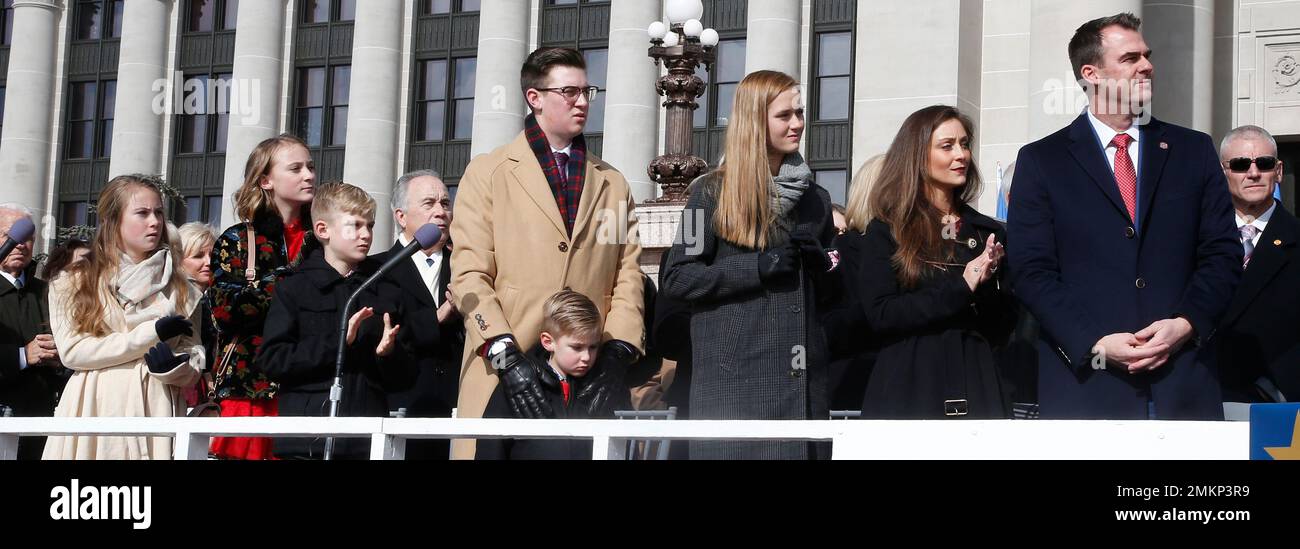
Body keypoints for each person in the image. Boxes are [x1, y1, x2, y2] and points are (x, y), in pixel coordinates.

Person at [1007, 13, 1240, 419]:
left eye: (1147, 55)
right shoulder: (1042, 161)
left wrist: (1186, 324)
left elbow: (1222, 254)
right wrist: (1095, 343)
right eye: (1131, 58)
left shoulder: (1192, 150)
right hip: (1087, 389)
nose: (1147, 65)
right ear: (1091, 73)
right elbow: (1031, 270)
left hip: (1183, 386)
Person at [450, 47, 644, 459]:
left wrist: (616, 351)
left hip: (587, 377)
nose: (583, 101)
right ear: (534, 98)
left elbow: (626, 273)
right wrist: (504, 354)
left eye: (587, 90)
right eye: (569, 91)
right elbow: (469, 275)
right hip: (503, 368)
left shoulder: (613, 183)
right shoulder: (487, 173)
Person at [659, 70, 838, 460]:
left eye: (800, 113)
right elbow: (676, 276)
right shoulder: (706, 193)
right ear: (756, 120)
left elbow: (832, 299)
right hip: (735, 388)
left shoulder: (817, 200)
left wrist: (822, 264)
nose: (797, 124)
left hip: (802, 389)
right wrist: (756, 268)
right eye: (784, 115)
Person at [839, 105, 1016, 418]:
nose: (961, 155)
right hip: (910, 384)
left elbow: (1001, 327)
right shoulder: (888, 230)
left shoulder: (986, 230)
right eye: (946, 146)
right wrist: (964, 284)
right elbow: (882, 314)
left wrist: (992, 283)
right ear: (917, 155)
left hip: (978, 382)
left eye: (964, 144)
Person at [255, 182, 421, 460]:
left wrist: (389, 354)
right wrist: (339, 341)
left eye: (369, 225)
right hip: (306, 441)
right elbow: (272, 360)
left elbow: (406, 378)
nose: (365, 234)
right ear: (323, 230)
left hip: (365, 441)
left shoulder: (385, 288)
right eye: (355, 225)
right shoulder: (294, 288)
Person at [42, 175, 205, 459]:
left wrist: (175, 368)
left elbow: (195, 357)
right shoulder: (72, 280)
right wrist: (151, 335)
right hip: (94, 405)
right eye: (142, 213)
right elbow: (72, 352)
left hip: (157, 405)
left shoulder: (183, 287)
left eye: (158, 212)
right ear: (113, 219)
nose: (154, 221)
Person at [209, 133, 319, 459]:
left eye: (310, 167)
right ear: (266, 180)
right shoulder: (240, 240)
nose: (309, 175)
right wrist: (290, 277)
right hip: (250, 392)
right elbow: (225, 310)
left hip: (307, 389)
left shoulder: (325, 238)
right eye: (296, 168)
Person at [380, 169, 463, 459]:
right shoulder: (376, 271)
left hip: (458, 413)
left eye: (445, 203)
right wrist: (438, 318)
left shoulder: (468, 269)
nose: (440, 212)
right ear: (401, 216)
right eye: (429, 204)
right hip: (400, 411)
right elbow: (383, 336)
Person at [1214, 125, 1299, 404]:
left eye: (1264, 163)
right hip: (1209, 393)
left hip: (1279, 401)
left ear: (1278, 171)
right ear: (1222, 172)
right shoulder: (1195, 238)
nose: (1253, 173)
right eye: (1240, 165)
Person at [477, 290, 606, 460]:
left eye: (593, 347)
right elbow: (491, 445)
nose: (587, 357)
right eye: (577, 347)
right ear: (548, 341)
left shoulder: (599, 386)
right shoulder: (519, 383)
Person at [0, 204, 61, 459]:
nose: (20, 244)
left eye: (27, 239)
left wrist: (60, 357)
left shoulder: (48, 293)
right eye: (10, 237)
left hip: (40, 420)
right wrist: (23, 355)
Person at [177, 222, 219, 410]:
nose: (208, 262)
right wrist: (203, 371)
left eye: (212, 254)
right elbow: (192, 345)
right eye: (198, 256)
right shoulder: (180, 300)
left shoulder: (213, 297)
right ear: (179, 260)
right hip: (186, 387)